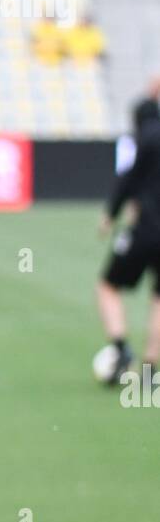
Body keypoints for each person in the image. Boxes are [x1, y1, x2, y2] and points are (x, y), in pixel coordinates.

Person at [97, 96, 160, 383]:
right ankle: (149, 370)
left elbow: (129, 178)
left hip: (145, 228)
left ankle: (121, 349)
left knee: (108, 285)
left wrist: (110, 214)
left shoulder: (146, 139)